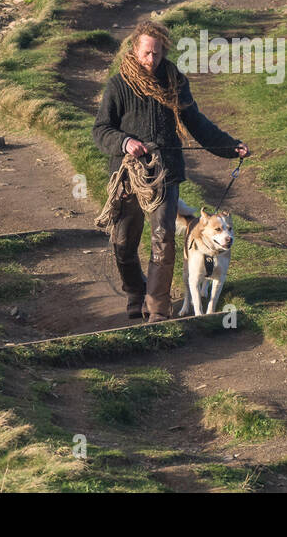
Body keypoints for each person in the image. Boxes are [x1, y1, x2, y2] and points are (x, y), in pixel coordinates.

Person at [92, 19, 249, 322]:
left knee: (163, 240)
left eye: (157, 54)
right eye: (146, 53)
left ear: (164, 50)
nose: (152, 60)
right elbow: (100, 130)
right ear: (134, 49)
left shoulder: (174, 81)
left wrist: (231, 147)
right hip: (128, 177)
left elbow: (197, 123)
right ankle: (136, 293)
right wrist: (125, 142)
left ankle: (158, 309)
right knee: (123, 243)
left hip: (166, 175)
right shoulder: (118, 85)